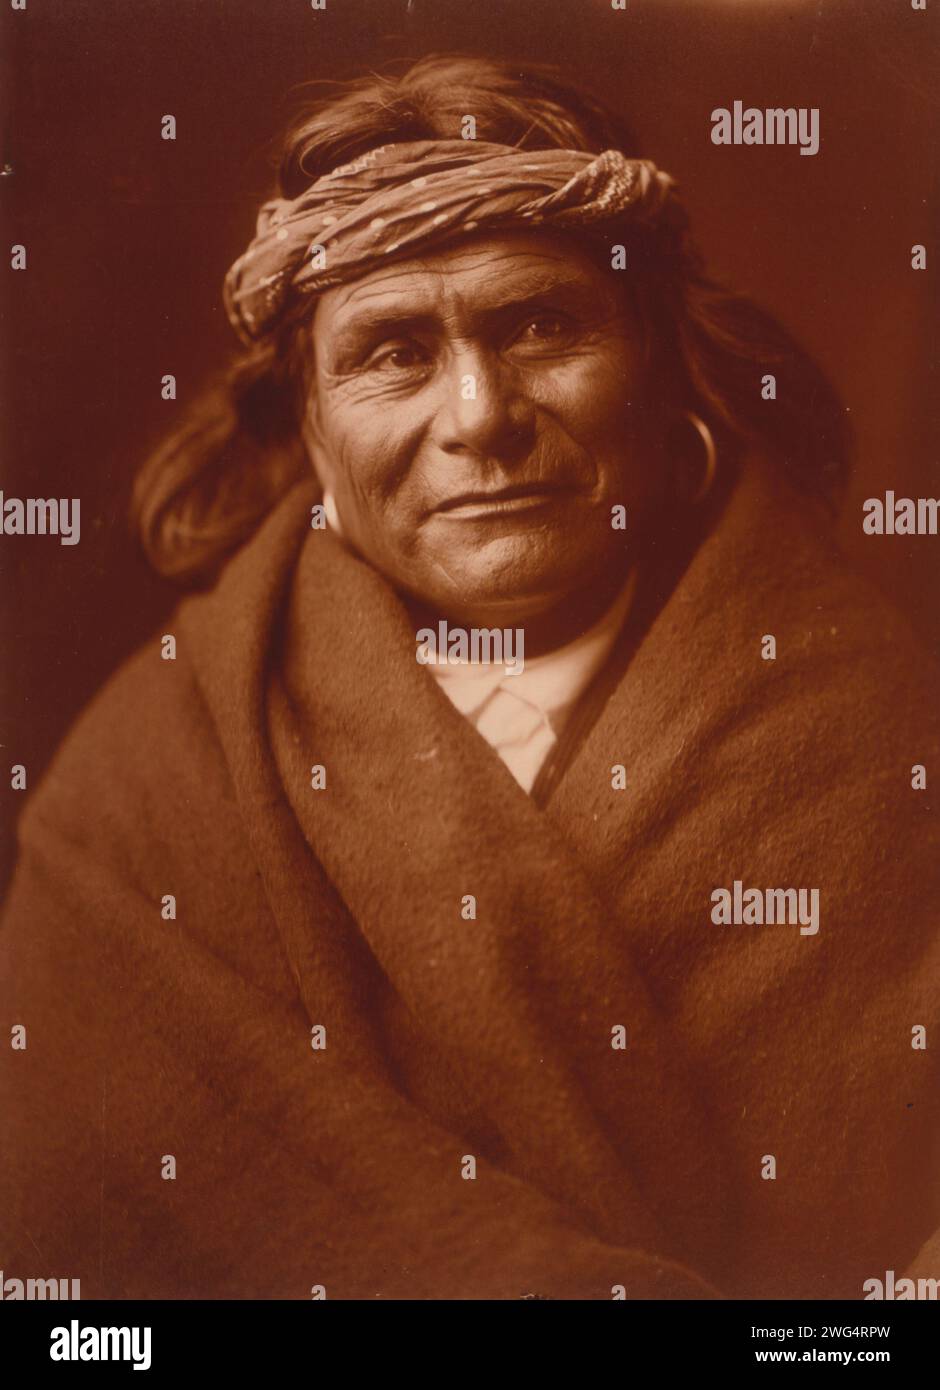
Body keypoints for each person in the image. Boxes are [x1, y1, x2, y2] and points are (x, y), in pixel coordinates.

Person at [1, 55, 937, 1300]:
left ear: (661, 364)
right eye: (391, 351)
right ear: (312, 432)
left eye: (543, 325)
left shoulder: (880, 733)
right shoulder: (142, 795)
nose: (480, 414)